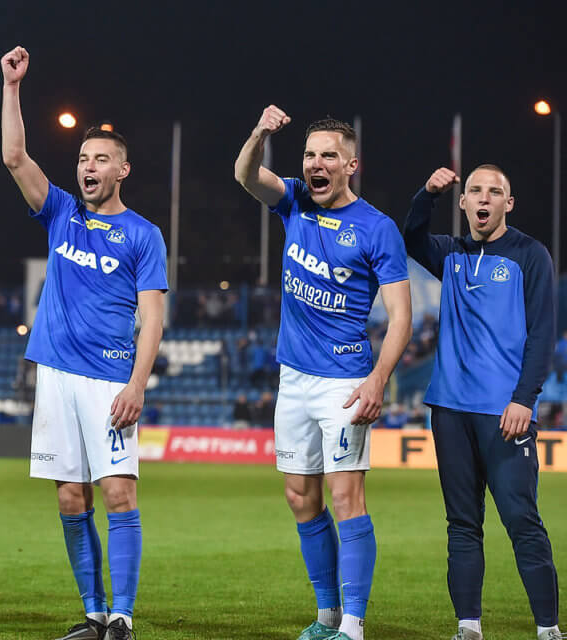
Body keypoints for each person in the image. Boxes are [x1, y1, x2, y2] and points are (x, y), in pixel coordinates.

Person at [1, 46, 168, 640]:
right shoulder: (61, 214)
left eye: (100, 158)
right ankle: (94, 613)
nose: (87, 166)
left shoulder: (144, 235)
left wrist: (136, 385)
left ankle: (122, 616)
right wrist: (12, 86)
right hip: (55, 375)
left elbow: (153, 318)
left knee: (117, 491)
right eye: (82, 158)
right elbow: (14, 155)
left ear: (122, 170)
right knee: (71, 497)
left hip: (108, 381)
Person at [234, 105, 412, 640]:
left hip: (344, 383)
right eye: (310, 154)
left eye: (327, 155)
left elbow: (401, 316)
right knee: (299, 497)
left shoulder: (378, 229)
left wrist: (378, 379)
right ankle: (327, 615)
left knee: (345, 497)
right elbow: (245, 175)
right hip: (293, 378)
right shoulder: (292, 200)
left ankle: (353, 625)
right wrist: (261, 132)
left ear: (350, 165)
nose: (316, 163)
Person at [404, 166, 560, 640]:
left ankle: (549, 630)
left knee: (521, 520)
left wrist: (523, 399)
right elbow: (411, 238)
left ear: (508, 204)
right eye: (475, 191)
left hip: (505, 414)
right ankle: (468, 627)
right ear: (464, 203)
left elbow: (542, 335)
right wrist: (425, 194)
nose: (484, 198)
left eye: (495, 192)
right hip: (449, 410)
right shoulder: (449, 253)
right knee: (462, 523)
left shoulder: (530, 255)